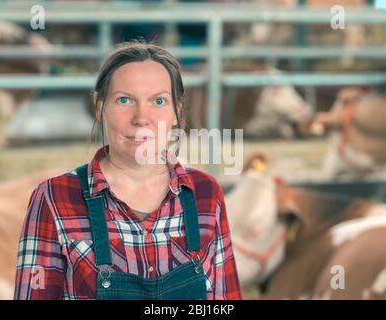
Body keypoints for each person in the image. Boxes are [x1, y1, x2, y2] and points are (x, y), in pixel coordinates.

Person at [14, 41, 242, 300]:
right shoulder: (54, 198)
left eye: (158, 100)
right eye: (124, 100)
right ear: (100, 107)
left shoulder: (205, 194)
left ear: (177, 111)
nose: (141, 117)